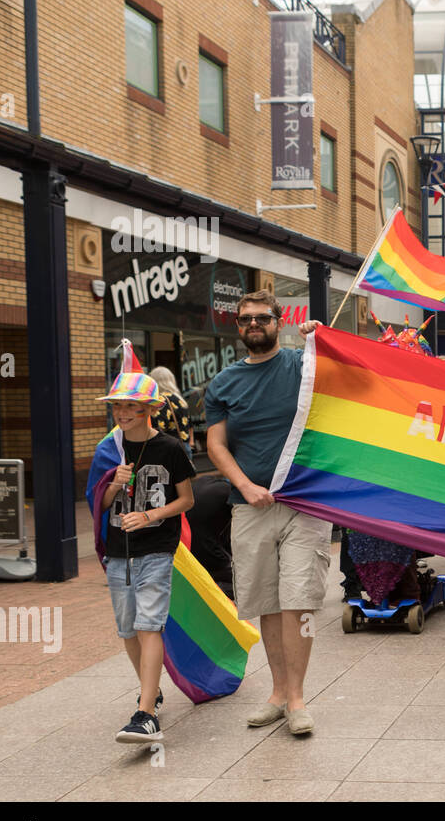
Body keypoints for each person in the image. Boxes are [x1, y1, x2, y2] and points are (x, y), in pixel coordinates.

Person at [205, 292, 330, 736]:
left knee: (299, 602)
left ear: (280, 322)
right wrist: (244, 486)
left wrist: (322, 340)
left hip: (304, 503)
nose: (253, 324)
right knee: (268, 604)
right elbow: (216, 444)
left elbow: (350, 377)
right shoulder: (222, 383)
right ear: (237, 327)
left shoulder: (303, 365)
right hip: (250, 507)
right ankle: (278, 694)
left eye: (262, 318)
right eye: (245, 320)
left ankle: (297, 700)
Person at [96, 370, 196, 743]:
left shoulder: (170, 448)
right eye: (118, 406)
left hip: (156, 549)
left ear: (149, 409)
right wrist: (112, 485)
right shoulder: (109, 449)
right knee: (127, 629)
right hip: (118, 553)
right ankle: (151, 689)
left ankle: (145, 712)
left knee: (147, 624)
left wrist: (150, 515)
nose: (122, 413)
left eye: (131, 406)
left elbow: (187, 500)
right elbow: (99, 504)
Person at [150, 365, 193, 454]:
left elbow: (160, 426)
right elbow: (190, 424)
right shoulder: (180, 399)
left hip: (170, 448)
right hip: (184, 445)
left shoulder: (162, 400)